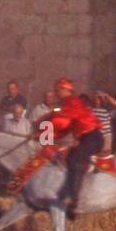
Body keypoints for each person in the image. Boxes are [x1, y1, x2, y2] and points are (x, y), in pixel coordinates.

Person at [43, 78, 105, 220]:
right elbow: (60, 121)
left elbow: (62, 123)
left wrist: (42, 132)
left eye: (58, 90)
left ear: (66, 90)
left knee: (74, 158)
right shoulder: (66, 104)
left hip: (92, 137)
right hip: (87, 137)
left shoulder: (72, 102)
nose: (56, 92)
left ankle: (74, 200)